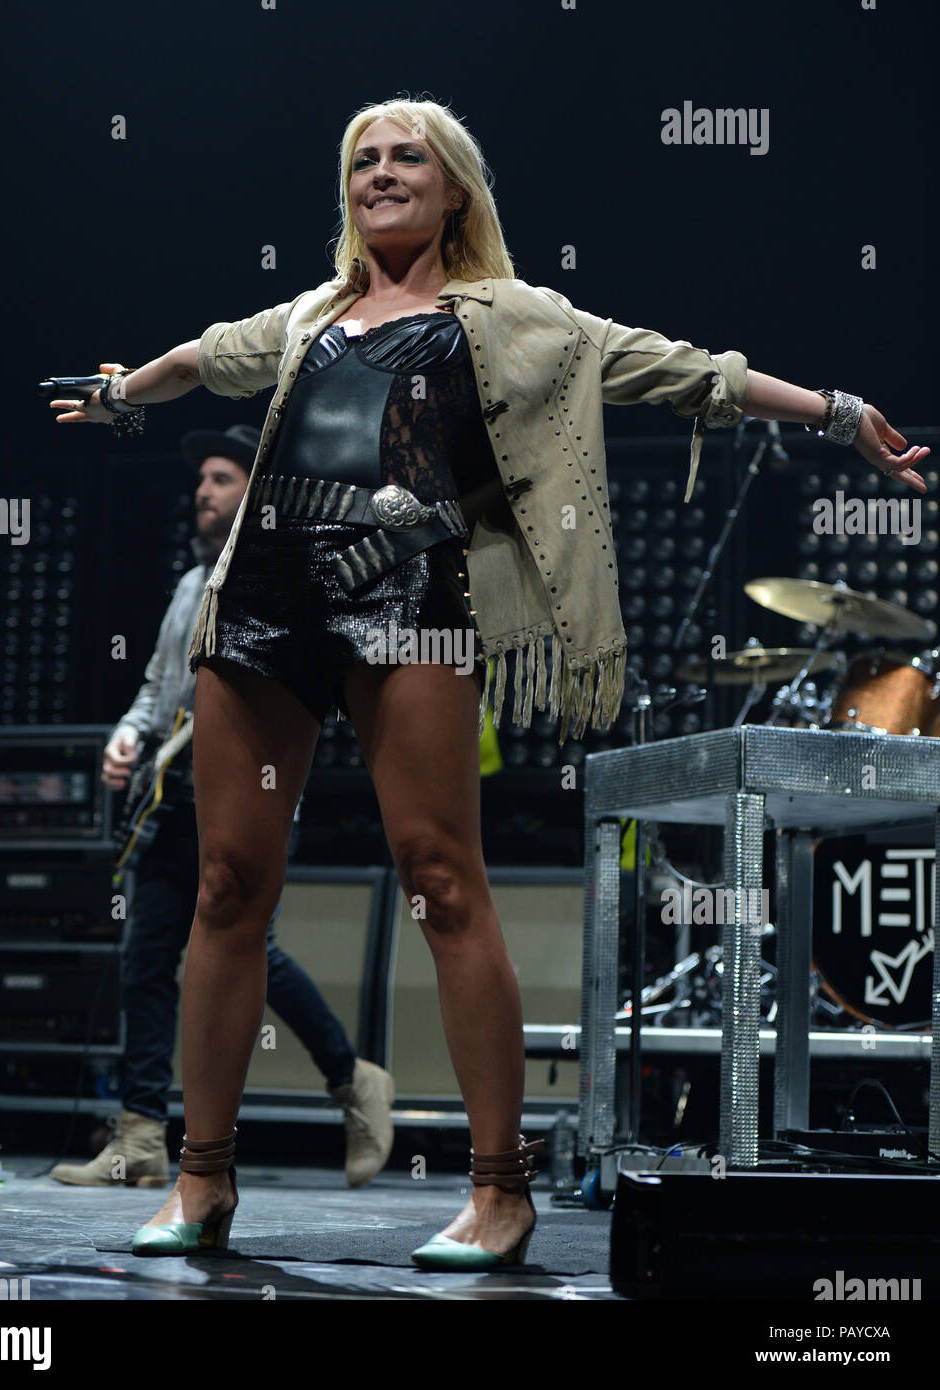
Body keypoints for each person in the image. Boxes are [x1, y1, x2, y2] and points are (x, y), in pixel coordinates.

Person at [51, 96, 928, 1270]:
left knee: (438, 877)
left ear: (454, 185)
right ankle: (202, 1177)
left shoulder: (512, 315)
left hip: (410, 598)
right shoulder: (312, 311)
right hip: (263, 594)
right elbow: (202, 357)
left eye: (405, 156)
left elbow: (676, 370)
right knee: (223, 884)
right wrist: (122, 392)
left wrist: (833, 413)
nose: (379, 173)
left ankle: (498, 1190)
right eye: (361, 160)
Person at [48, 425, 394, 1193]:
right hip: (176, 804)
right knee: (145, 962)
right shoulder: (184, 588)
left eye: (218, 478)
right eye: (199, 480)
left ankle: (352, 1080)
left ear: (255, 492)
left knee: (252, 956)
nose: (200, 492)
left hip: (250, 798)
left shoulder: (282, 575)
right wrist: (127, 738)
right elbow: (154, 689)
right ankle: (139, 1137)